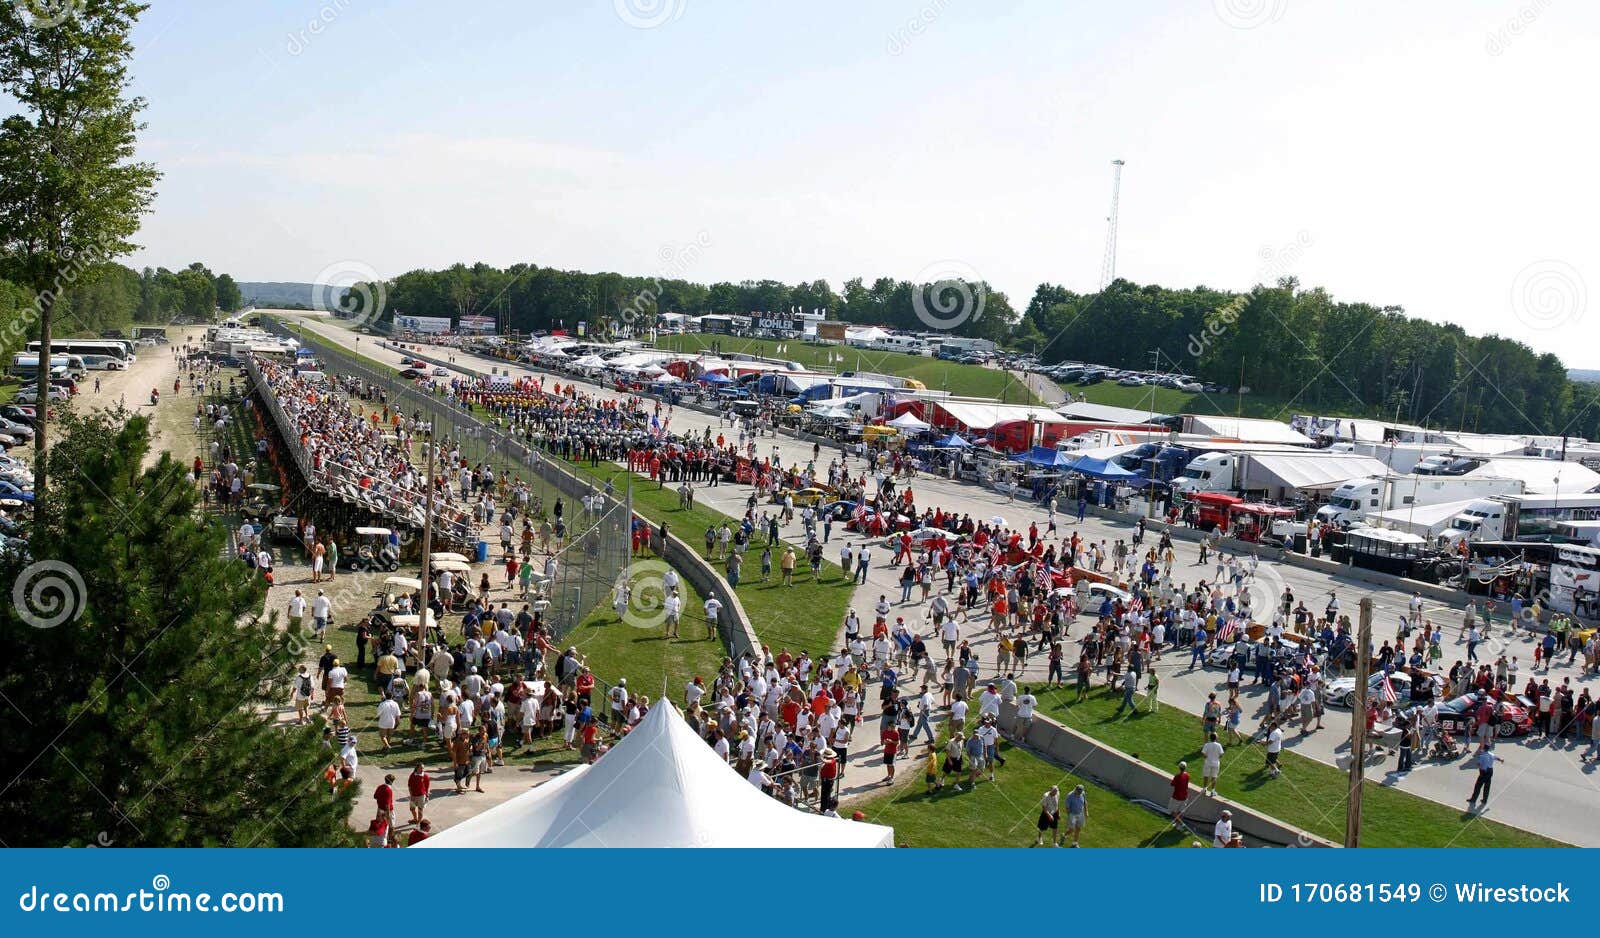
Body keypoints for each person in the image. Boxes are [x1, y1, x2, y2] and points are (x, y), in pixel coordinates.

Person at [1468, 744, 1501, 809]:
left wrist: (1479, 766)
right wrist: (1501, 760)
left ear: (1484, 748)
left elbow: (1479, 764)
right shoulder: (1491, 754)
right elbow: (1496, 758)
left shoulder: (1482, 756)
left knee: (1478, 786)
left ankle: (1473, 799)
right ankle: (1484, 800)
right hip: (1490, 771)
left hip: (1484, 772)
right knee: (1487, 786)